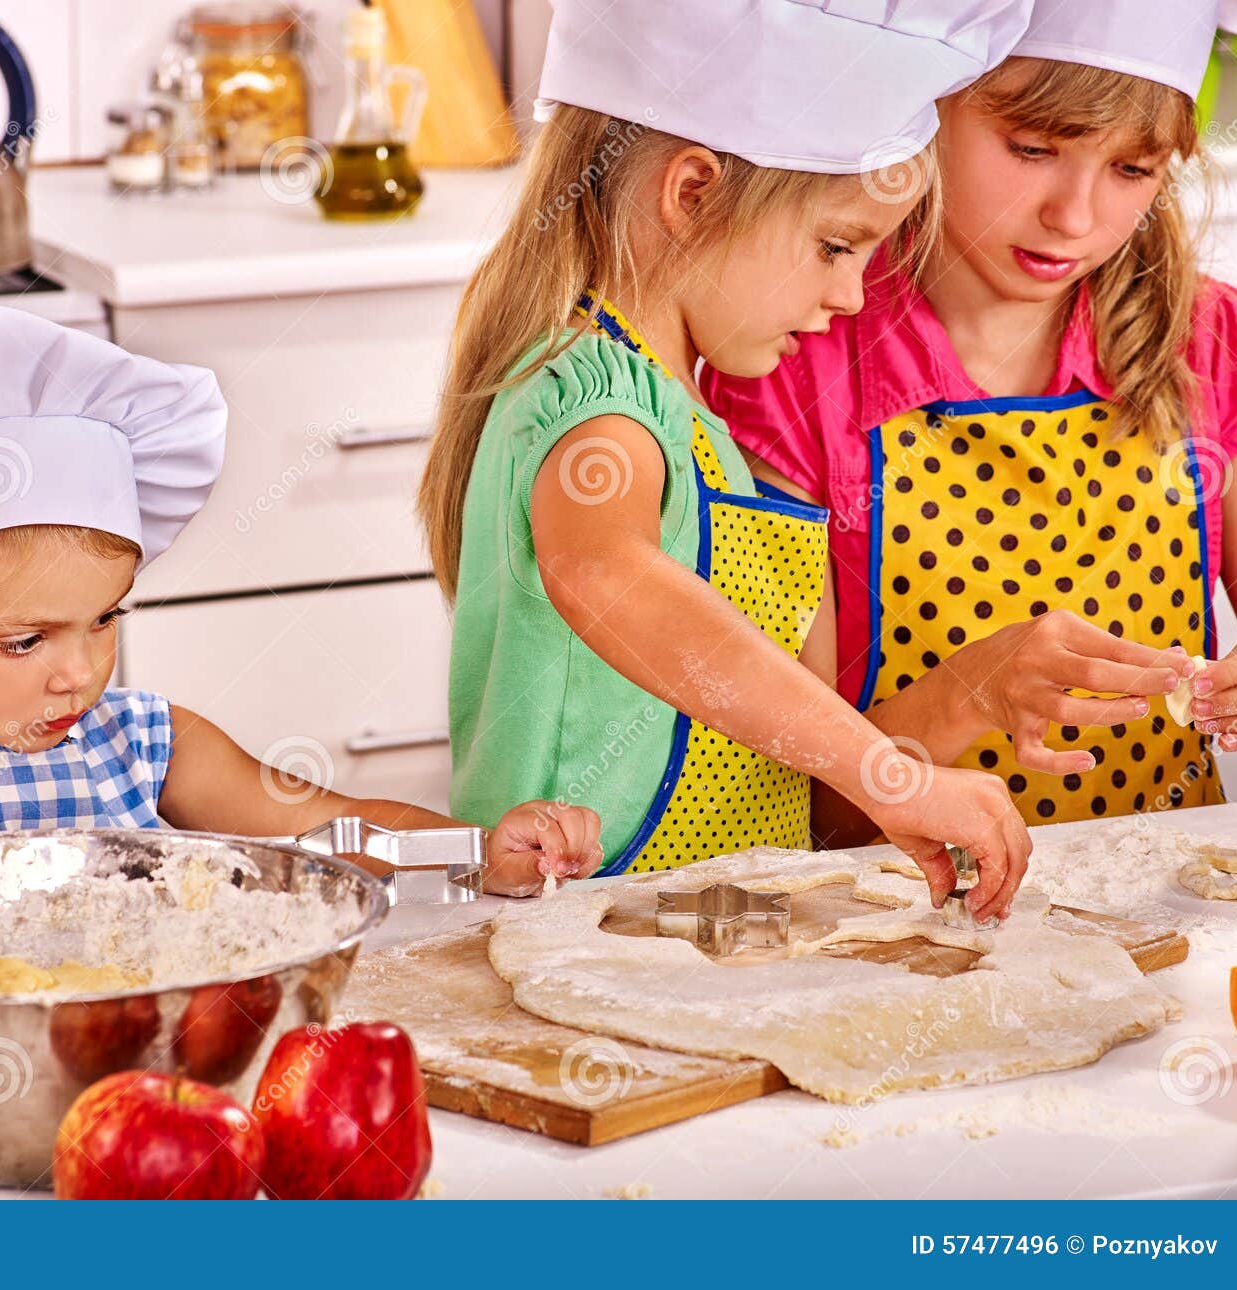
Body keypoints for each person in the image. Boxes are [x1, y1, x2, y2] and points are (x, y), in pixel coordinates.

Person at [417, 0, 1036, 920]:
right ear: (693, 192)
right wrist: (883, 772)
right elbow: (606, 573)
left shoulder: (681, 407)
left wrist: (873, 788)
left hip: (698, 928)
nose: (850, 296)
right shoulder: (598, 399)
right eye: (835, 246)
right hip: (583, 926)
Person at [0, 305, 601, 898]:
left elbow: (323, 826)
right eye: (25, 642)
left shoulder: (142, 737)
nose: (79, 673)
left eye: (104, 620)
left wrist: (478, 848)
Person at [704, 0, 1237, 842]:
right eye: (1032, 149)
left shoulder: (1212, 342)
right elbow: (793, 820)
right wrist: (967, 692)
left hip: (1165, 911)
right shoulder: (794, 369)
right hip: (898, 924)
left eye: (1132, 170)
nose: (1074, 215)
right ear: (926, 114)